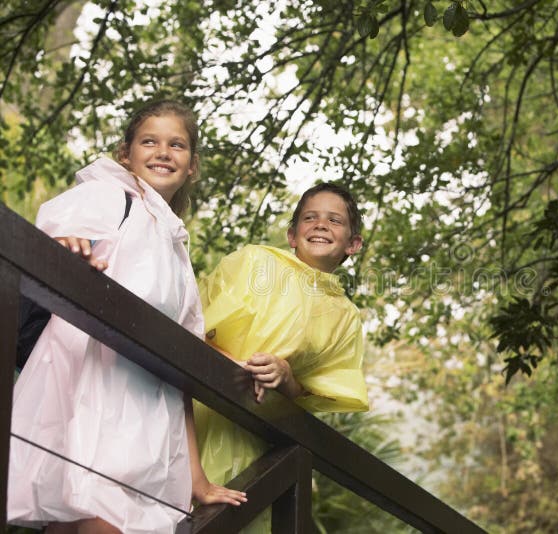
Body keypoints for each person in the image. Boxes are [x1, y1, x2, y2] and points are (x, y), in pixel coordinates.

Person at [7, 99, 246, 534]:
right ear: (126, 153)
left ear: (191, 165)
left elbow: (182, 371)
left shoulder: (176, 248)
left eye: (177, 145)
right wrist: (71, 247)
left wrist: (196, 477)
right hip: (91, 398)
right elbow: (51, 240)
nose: (162, 151)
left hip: (147, 422)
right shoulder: (108, 195)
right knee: (94, 512)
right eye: (149, 141)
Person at [193, 182, 370, 533]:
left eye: (335, 220)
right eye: (310, 217)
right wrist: (234, 366)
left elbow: (318, 393)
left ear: (353, 244)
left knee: (235, 518)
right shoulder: (254, 262)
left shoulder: (345, 315)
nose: (321, 225)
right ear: (292, 234)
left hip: (260, 441)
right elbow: (192, 322)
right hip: (200, 410)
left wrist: (285, 375)